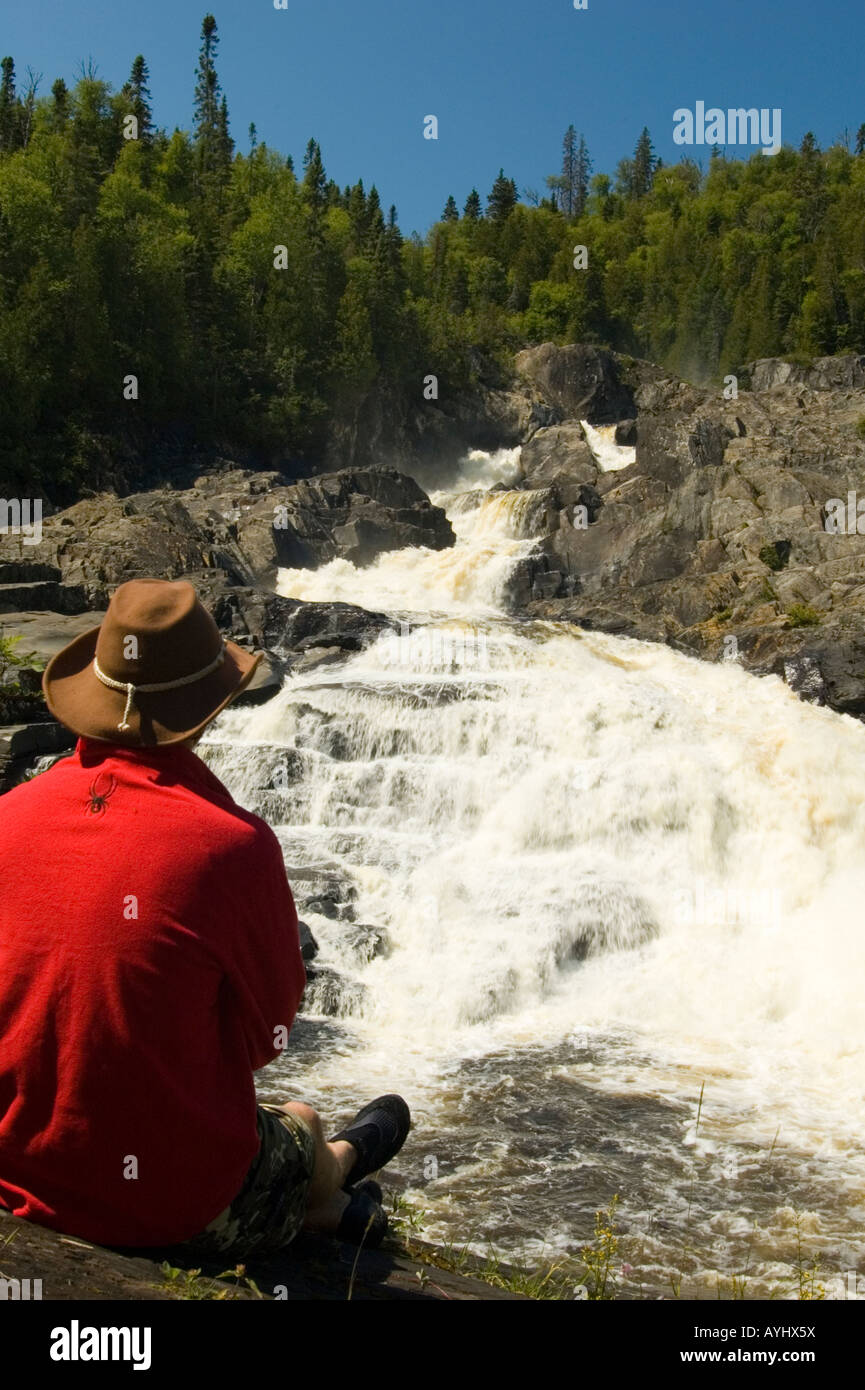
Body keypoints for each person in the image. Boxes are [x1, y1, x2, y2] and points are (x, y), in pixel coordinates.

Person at [0, 578, 410, 1263]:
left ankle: (335, 1191)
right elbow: (263, 1040)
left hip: (16, 1170)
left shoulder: (10, 816)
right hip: (169, 1207)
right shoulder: (233, 847)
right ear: (210, 709)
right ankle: (336, 1178)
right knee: (300, 1124)